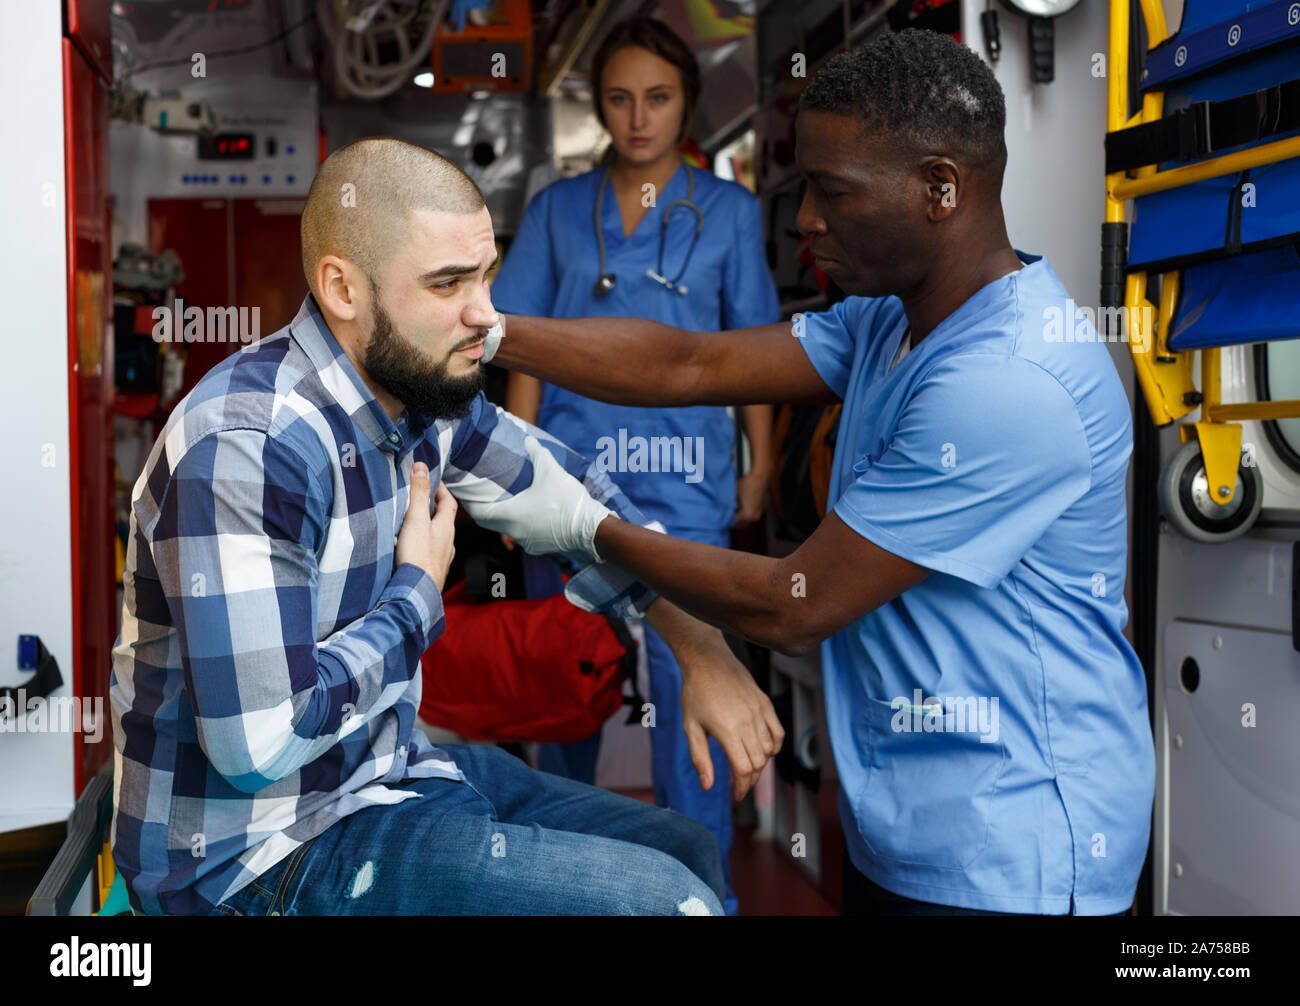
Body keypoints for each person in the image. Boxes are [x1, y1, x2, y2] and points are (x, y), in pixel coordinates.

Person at [477, 29, 1157, 916]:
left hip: (1013, 847)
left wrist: (584, 525)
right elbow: (690, 365)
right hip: (907, 824)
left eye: (832, 193)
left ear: (940, 189)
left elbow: (792, 604)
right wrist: (487, 333)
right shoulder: (891, 319)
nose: (804, 222)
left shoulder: (1010, 380)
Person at [107, 136, 782, 917]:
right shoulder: (249, 446)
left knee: (683, 848)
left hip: (379, 776)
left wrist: (697, 646)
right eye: (449, 283)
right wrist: (416, 596)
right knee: (667, 904)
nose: (486, 317)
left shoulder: (419, 396)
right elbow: (261, 744)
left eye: (487, 274)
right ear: (343, 289)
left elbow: (574, 502)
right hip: (252, 857)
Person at [489, 17, 780, 917]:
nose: (638, 117)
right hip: (568, 491)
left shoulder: (729, 213)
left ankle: (704, 895)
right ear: (598, 106)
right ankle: (566, 886)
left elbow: (753, 350)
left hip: (685, 486)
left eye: (658, 98)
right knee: (561, 692)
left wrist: (760, 461)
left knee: (692, 701)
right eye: (619, 98)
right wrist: (514, 475)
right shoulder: (554, 212)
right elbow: (522, 351)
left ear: (686, 102)